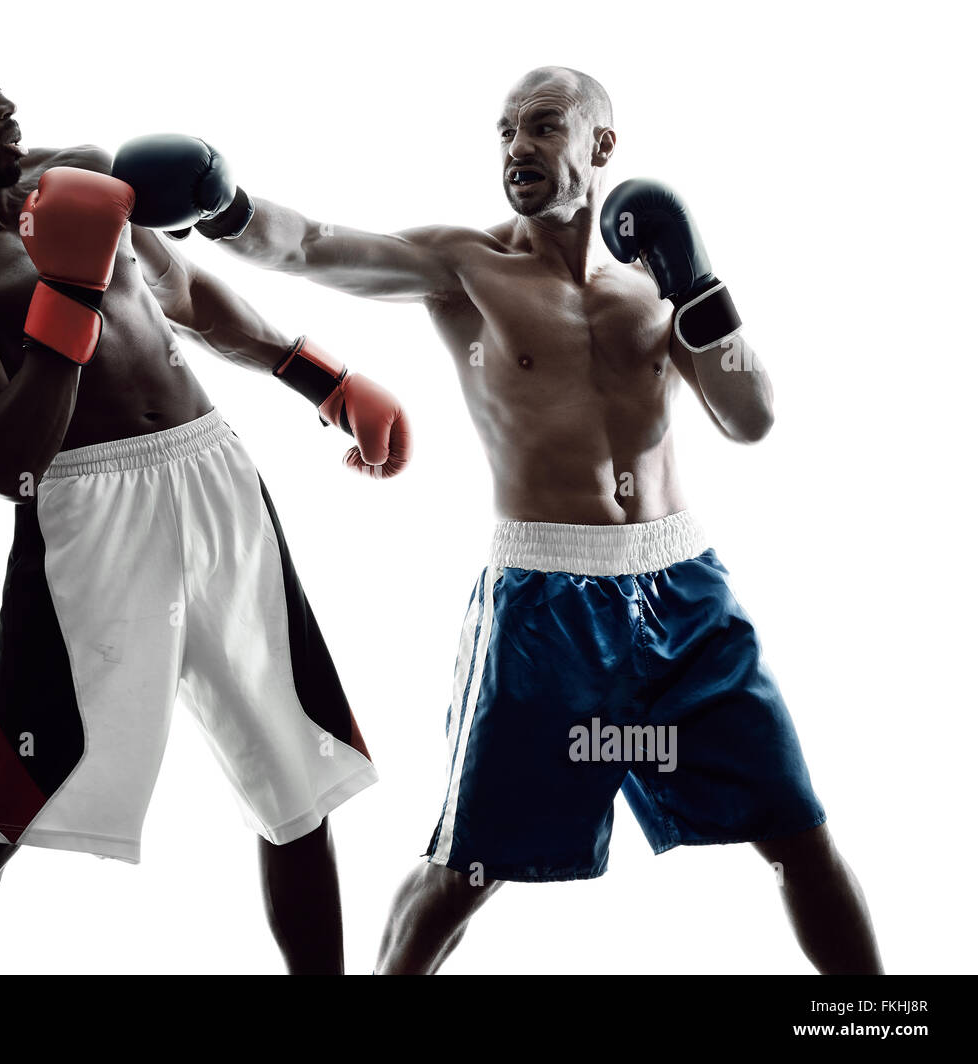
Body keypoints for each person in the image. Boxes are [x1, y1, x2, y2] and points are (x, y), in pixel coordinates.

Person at [155, 65, 883, 974]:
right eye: (504, 131)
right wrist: (225, 210)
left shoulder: (654, 282)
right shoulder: (467, 266)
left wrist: (698, 285)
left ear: (600, 147)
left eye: (543, 126)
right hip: (545, 598)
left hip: (685, 591)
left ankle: (877, 1018)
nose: (517, 147)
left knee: (793, 829)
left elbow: (753, 419)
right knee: (468, 867)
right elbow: (311, 248)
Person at [0, 25, 410, 975]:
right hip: (85, 516)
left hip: (215, 475)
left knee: (292, 767)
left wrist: (319, 377)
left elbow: (188, 294)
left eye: (2, 86)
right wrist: (65, 290)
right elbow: (8, 460)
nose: (10, 106)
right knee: (10, 790)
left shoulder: (73, 177)